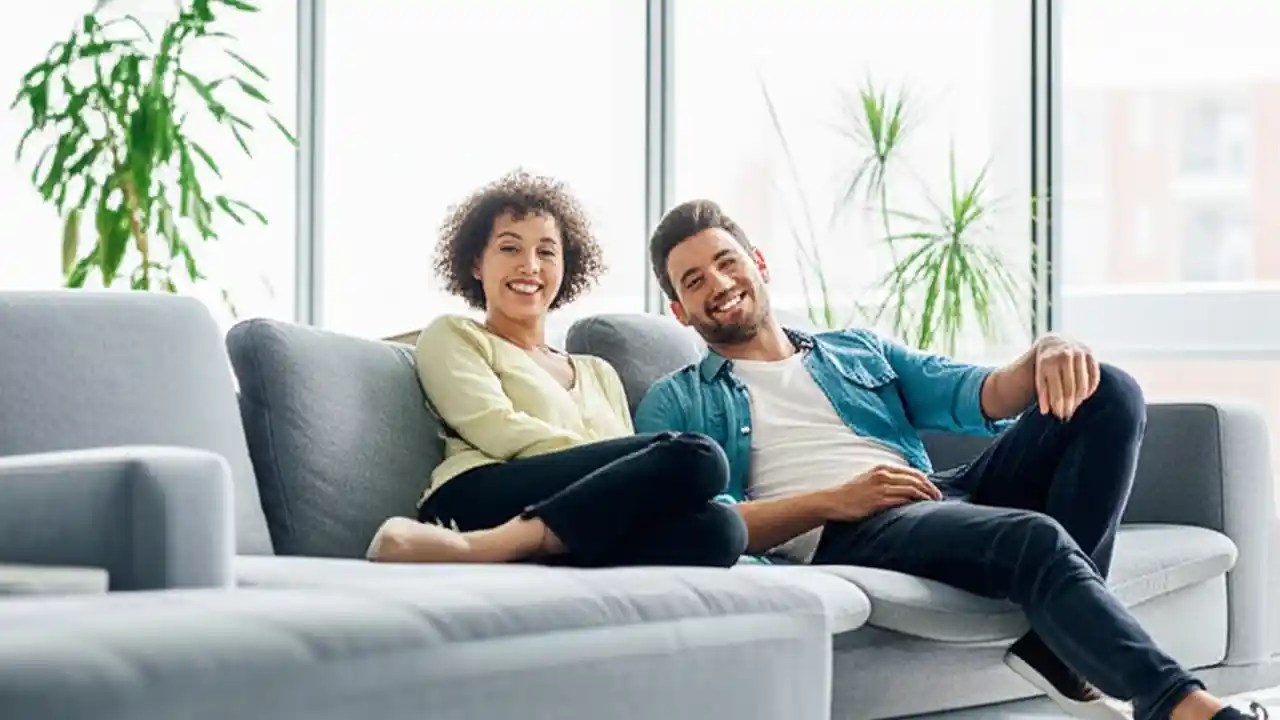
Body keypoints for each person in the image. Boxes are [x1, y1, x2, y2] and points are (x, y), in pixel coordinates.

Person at [635, 199, 1268, 720]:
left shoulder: (852, 349)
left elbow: (978, 393)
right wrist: (836, 500)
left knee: (1111, 390)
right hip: (845, 529)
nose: (718, 285)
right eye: (694, 281)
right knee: (1033, 538)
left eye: (726, 262)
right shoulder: (676, 400)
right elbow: (704, 525)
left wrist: (1052, 351)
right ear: (679, 311)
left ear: (758, 263)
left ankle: (1057, 646)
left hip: (933, 495)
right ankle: (1180, 704)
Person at [365, 173, 746, 568]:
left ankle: (521, 546)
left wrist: (619, 478)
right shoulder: (456, 335)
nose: (529, 266)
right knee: (699, 457)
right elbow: (496, 429)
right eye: (510, 248)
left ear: (567, 265)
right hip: (479, 491)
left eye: (546, 252)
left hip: (571, 507)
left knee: (722, 530)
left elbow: (630, 481)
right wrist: (616, 469)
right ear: (477, 262)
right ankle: (478, 544)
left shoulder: (599, 372)